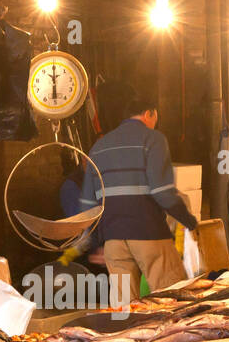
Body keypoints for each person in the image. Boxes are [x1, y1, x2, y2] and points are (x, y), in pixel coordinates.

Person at [79, 80, 198, 302]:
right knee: (171, 301)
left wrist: (96, 243)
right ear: (148, 114)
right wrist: (189, 221)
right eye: (155, 117)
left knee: (125, 309)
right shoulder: (153, 139)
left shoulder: (98, 147)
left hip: (113, 242)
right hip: (148, 234)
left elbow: (88, 205)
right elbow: (162, 192)